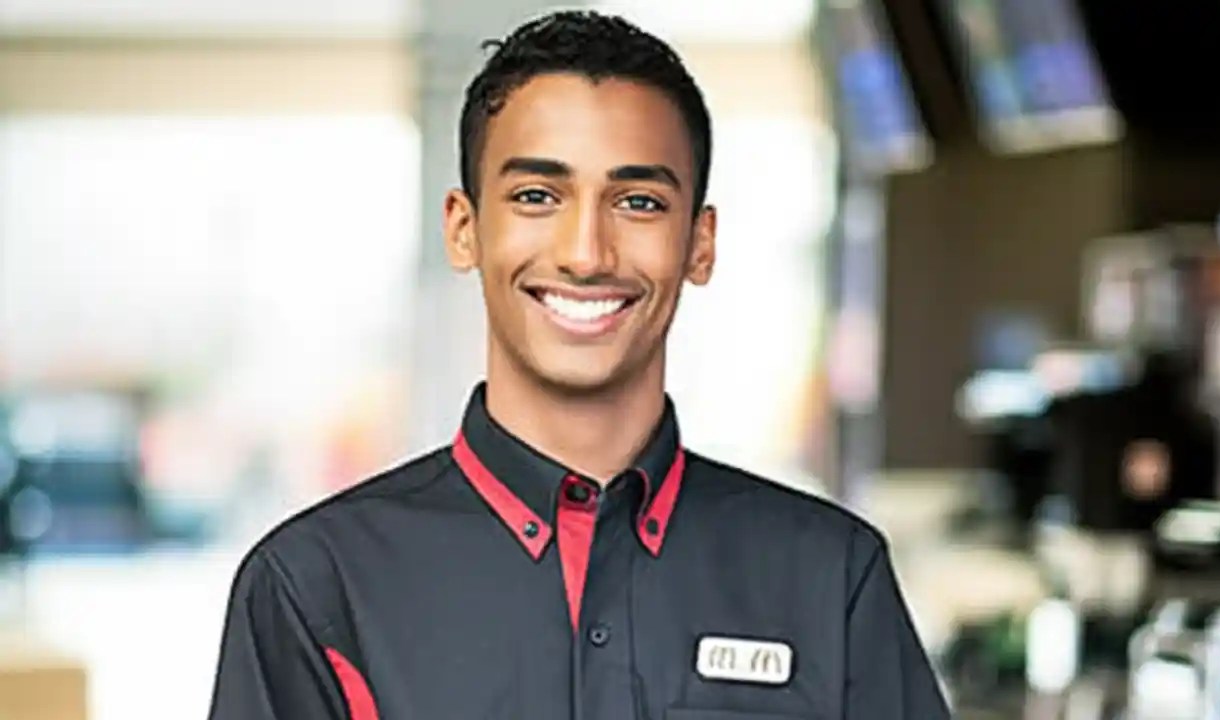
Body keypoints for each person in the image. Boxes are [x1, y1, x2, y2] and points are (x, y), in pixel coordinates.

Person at [208, 10, 950, 719]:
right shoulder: (317, 587)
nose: (586, 253)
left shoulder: (829, 578)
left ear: (700, 243)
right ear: (465, 231)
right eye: (537, 195)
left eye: (637, 201)